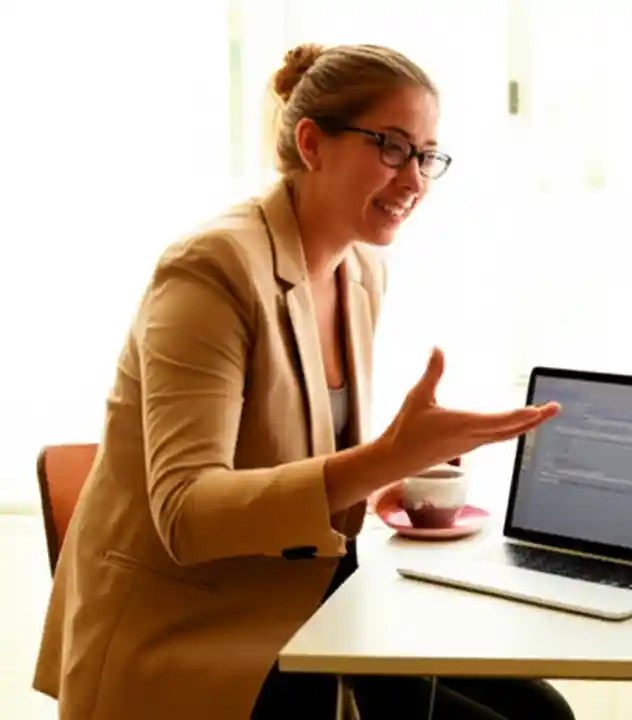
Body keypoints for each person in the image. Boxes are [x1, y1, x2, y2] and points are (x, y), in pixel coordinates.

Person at [33, 43, 576, 720]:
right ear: (312, 143)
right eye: (391, 147)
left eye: (427, 154)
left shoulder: (361, 271)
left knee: (537, 712)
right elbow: (185, 512)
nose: (414, 180)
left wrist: (402, 471)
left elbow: (298, 463)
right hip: (197, 630)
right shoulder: (212, 269)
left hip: (314, 600)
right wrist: (381, 457)